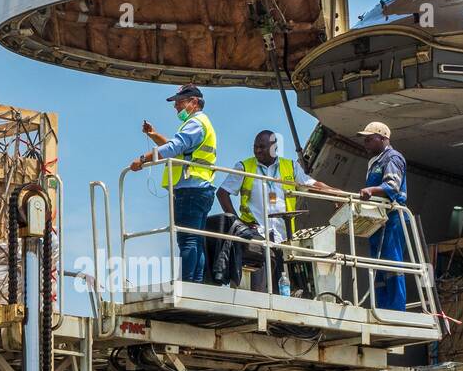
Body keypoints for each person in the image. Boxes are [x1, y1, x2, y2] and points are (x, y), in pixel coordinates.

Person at [216, 130, 343, 292]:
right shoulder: (244, 167)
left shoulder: (289, 166)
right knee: (259, 287)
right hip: (256, 236)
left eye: (262, 147)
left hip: (283, 237)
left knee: (283, 285)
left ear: (273, 147)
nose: (257, 150)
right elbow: (222, 193)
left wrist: (334, 193)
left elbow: (311, 184)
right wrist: (238, 224)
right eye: (255, 147)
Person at [130, 84, 218, 283]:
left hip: (191, 189)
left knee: (187, 240)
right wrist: (153, 134)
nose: (176, 107)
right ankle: (195, 283)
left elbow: (174, 147)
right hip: (200, 188)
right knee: (195, 239)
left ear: (194, 102)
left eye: (179, 102)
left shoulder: (196, 123)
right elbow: (179, 147)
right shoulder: (200, 123)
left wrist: (143, 160)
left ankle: (187, 284)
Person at [356, 121, 409, 311]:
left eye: (370, 139)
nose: (366, 142)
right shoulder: (375, 162)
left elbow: (392, 187)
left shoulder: (392, 158)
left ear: (384, 138)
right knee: (379, 266)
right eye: (365, 139)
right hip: (378, 220)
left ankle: (396, 309)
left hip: (392, 219)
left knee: (392, 264)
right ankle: (383, 307)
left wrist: (371, 190)